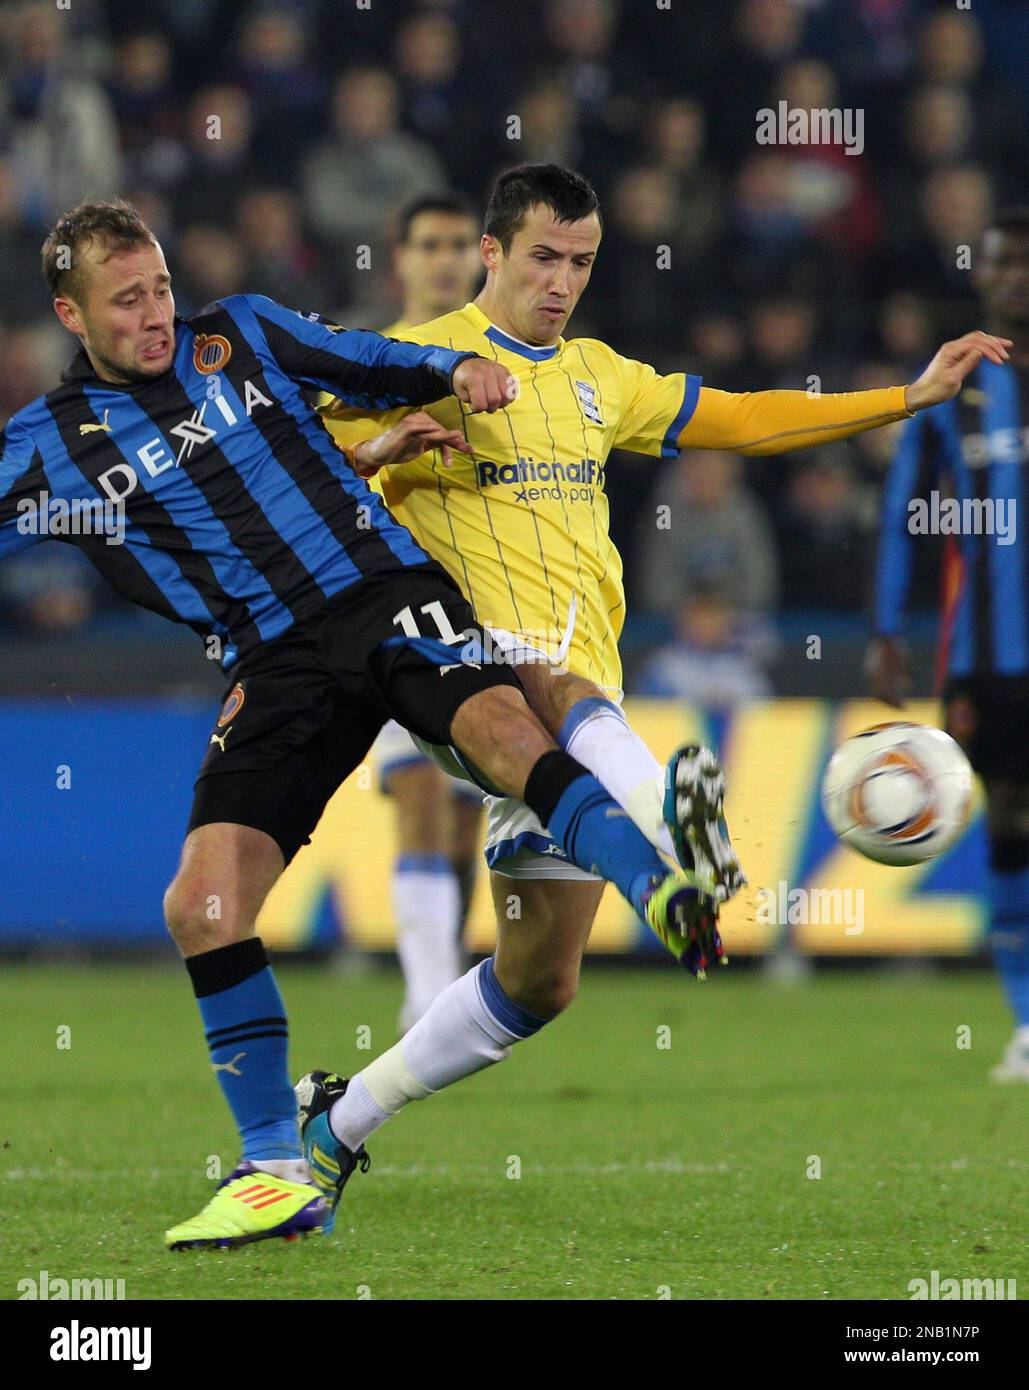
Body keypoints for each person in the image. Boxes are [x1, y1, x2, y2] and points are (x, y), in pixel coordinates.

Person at [0, 199, 729, 1249]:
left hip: (380, 594)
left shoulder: (239, 333)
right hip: (276, 662)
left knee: (505, 737)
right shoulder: (50, 445)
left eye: (160, 285)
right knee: (203, 904)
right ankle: (276, 1167)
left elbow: (372, 354)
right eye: (127, 300)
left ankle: (659, 887)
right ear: (71, 314)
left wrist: (452, 374)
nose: (156, 313)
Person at [310, 163, 1007, 1231]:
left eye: (581, 262)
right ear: (491, 252)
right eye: (542, 256)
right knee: (548, 675)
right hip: (473, 688)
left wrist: (901, 397)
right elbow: (293, 469)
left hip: (571, 717)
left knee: (539, 981)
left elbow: (740, 417)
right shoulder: (411, 360)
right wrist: (381, 446)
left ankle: (339, 1121)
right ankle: (668, 815)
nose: (561, 281)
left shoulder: (596, 375)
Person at [868, 207, 1029, 1082]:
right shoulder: (952, 382)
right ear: (983, 275)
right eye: (1003, 264)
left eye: (1026, 265)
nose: (1015, 279)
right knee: (1006, 821)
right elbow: (901, 512)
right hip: (986, 657)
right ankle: (1026, 1023)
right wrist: (887, 626)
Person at [367, 194, 486, 1032]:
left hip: (490, 611)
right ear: (398, 258)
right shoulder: (360, 364)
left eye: (456, 245)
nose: (442, 260)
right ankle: (426, 1000)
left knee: (467, 817)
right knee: (418, 792)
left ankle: (445, 981)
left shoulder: (508, 368)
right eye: (426, 245)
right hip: (384, 613)